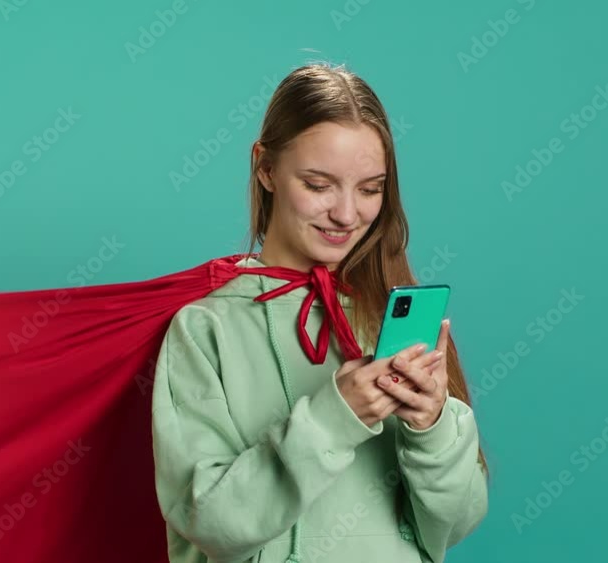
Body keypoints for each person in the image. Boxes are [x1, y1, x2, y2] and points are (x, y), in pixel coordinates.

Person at [151, 63, 489, 563]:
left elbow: (454, 525)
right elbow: (212, 523)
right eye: (318, 184)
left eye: (370, 189)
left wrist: (433, 427)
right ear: (265, 168)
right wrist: (336, 418)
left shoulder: (389, 317)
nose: (347, 214)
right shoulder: (205, 330)